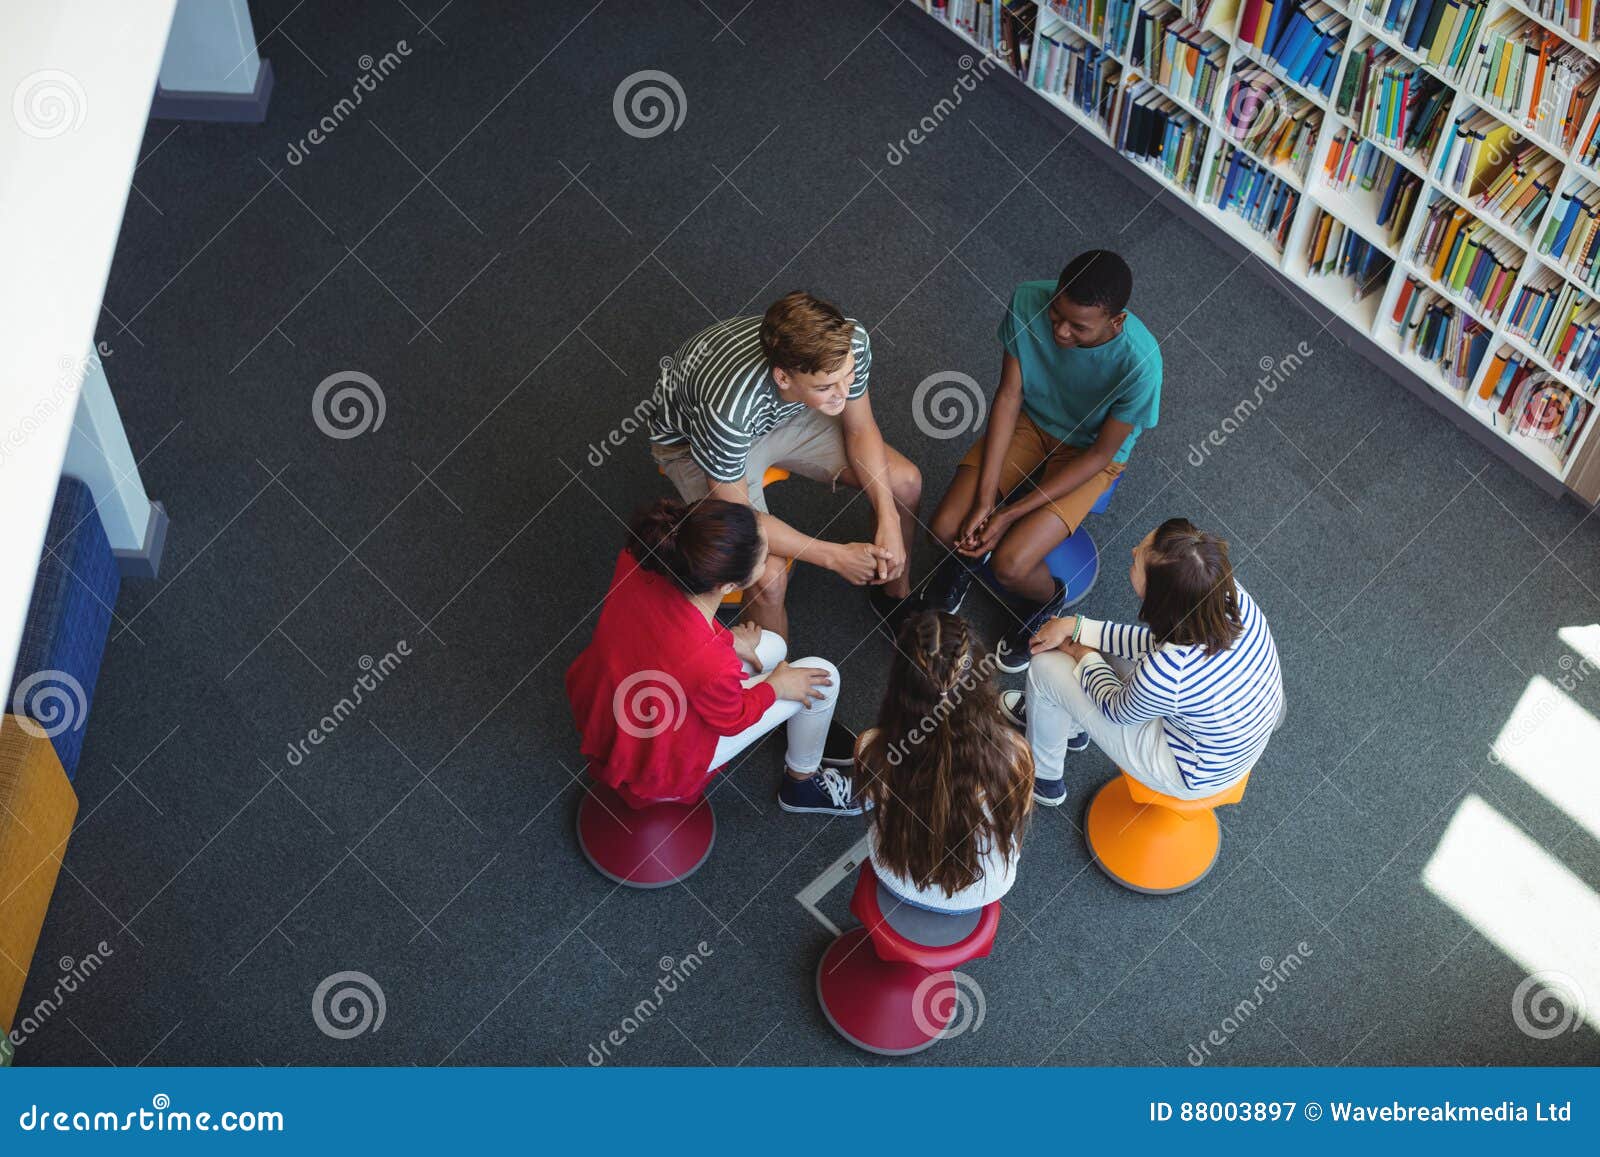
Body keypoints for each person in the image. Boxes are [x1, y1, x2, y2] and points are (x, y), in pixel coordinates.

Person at [923, 250, 1162, 672]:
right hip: (1031, 422)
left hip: (1089, 451)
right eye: (1056, 315)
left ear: (1116, 322)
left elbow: (1100, 454)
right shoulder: (1026, 299)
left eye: (1079, 327)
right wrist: (986, 499)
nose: (1061, 332)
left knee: (1011, 566)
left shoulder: (1142, 364)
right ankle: (967, 560)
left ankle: (1048, 599)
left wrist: (1008, 512)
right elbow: (1008, 396)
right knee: (945, 530)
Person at [649, 291, 922, 641]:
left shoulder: (850, 343)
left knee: (905, 483)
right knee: (769, 577)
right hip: (695, 445)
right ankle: (776, 671)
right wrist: (834, 556)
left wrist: (889, 518)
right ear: (782, 377)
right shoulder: (726, 411)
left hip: (788, 412)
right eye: (827, 385)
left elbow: (859, 427)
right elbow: (742, 519)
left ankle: (894, 596)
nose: (844, 392)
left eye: (848, 375)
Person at [566, 497, 866, 816]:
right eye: (764, 559)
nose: (769, 561)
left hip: (607, 711)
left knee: (775, 646)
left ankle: (780, 721)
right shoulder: (710, 663)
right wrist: (775, 687)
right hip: (661, 763)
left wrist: (724, 639)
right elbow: (734, 720)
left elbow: (662, 627)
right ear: (729, 586)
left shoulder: (637, 559)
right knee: (823, 676)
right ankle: (801, 786)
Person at [1001, 519, 1284, 808]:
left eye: (1139, 560)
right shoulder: (1225, 596)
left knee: (1045, 667)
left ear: (1158, 596)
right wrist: (1077, 627)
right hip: (1227, 742)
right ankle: (1066, 725)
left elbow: (1114, 709)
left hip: (1187, 769)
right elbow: (1155, 646)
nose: (1134, 550)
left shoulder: (1167, 671)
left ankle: (1043, 777)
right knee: (1094, 657)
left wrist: (1083, 653)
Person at [854, 611, 1033, 913]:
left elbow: (875, 800)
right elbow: (1017, 814)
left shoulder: (871, 748)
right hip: (985, 888)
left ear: (900, 684)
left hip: (897, 876)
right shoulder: (1015, 755)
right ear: (981, 681)